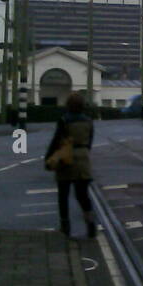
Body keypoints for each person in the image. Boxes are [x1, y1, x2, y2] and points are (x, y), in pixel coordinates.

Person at [45, 92, 97, 238]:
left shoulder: (64, 120)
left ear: (68, 105)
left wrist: (48, 158)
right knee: (83, 195)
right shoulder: (89, 121)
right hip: (83, 158)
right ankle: (91, 225)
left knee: (63, 194)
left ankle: (65, 226)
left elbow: (56, 140)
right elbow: (90, 141)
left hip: (66, 158)